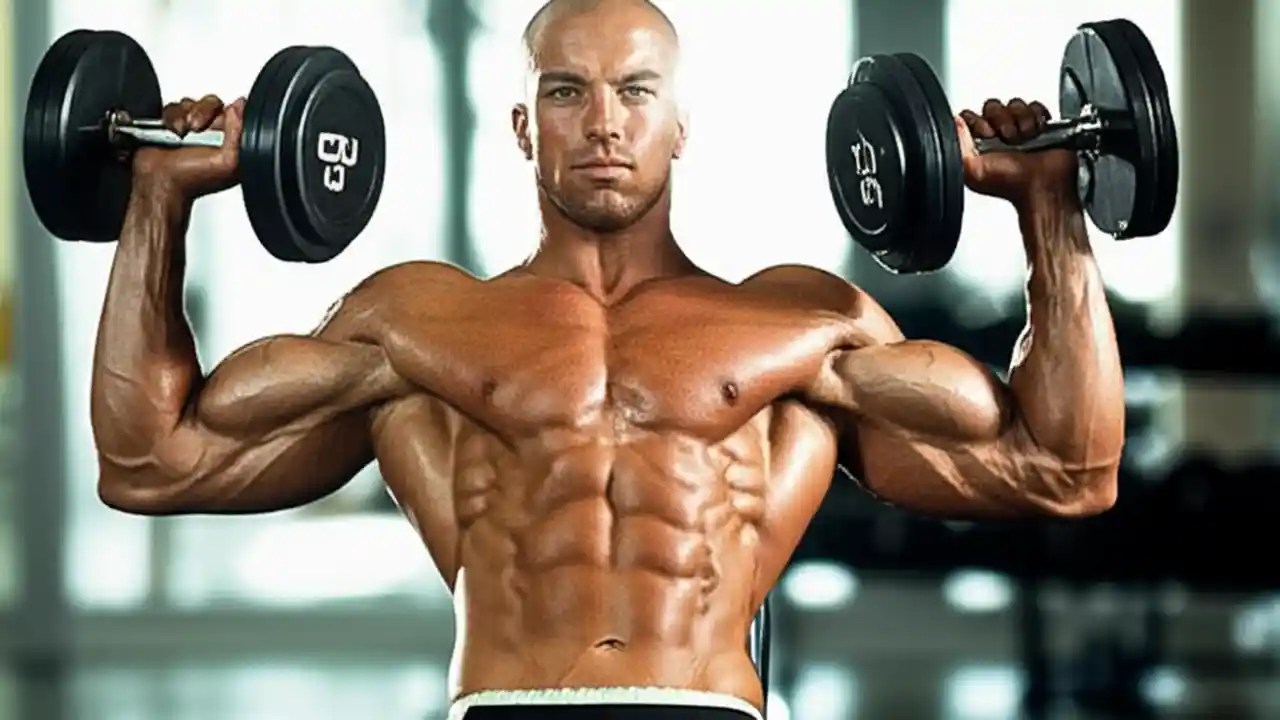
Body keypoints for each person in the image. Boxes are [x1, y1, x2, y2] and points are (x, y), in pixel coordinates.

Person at [90, 0, 1124, 717]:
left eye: (635, 92)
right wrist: (156, 200)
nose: (602, 125)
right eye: (564, 92)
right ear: (518, 126)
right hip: (501, 705)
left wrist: (1048, 212)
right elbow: (154, 462)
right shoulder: (410, 324)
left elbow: (1065, 470)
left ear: (681, 125)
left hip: (707, 707)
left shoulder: (803, 325)